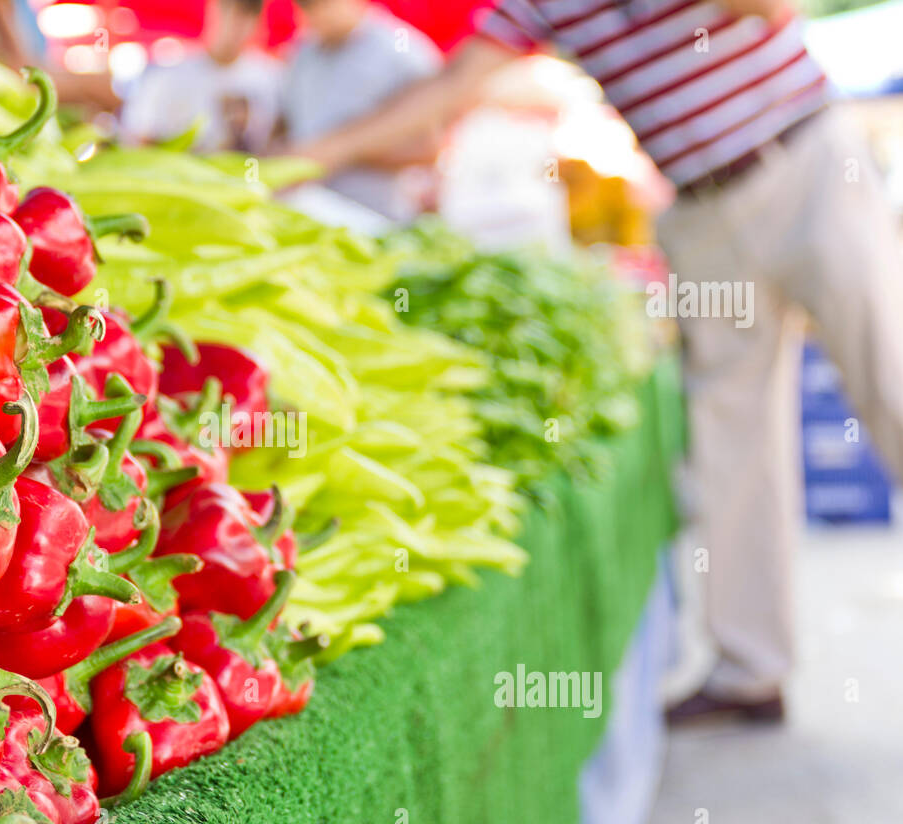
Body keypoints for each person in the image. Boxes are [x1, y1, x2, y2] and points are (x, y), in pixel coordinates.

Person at [296, 0, 903, 724]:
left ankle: (750, 665)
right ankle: (751, 670)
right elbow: (457, 81)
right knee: (732, 441)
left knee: (890, 378)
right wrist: (320, 154)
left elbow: (775, 9)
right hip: (704, 212)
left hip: (806, 163)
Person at [281, 0, 442, 220]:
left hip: (380, 221)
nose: (314, 14)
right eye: (305, 6)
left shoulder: (401, 49)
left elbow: (428, 147)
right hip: (309, 215)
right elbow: (288, 128)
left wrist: (338, 153)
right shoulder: (303, 53)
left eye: (321, 5)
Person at [118, 0, 282, 153]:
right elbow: (140, 141)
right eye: (227, 10)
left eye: (245, 14)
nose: (234, 23)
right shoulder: (169, 76)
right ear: (212, 9)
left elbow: (276, 140)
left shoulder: (270, 78)